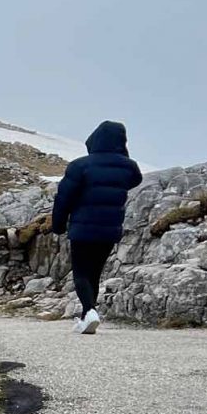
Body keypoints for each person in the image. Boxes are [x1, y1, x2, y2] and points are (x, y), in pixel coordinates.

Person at [51, 120, 142, 334]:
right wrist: (122, 155)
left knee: (81, 273)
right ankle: (86, 318)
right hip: (109, 229)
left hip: (83, 228)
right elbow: (134, 181)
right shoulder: (129, 167)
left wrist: (58, 225)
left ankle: (90, 311)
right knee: (95, 273)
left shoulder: (80, 165)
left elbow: (63, 197)